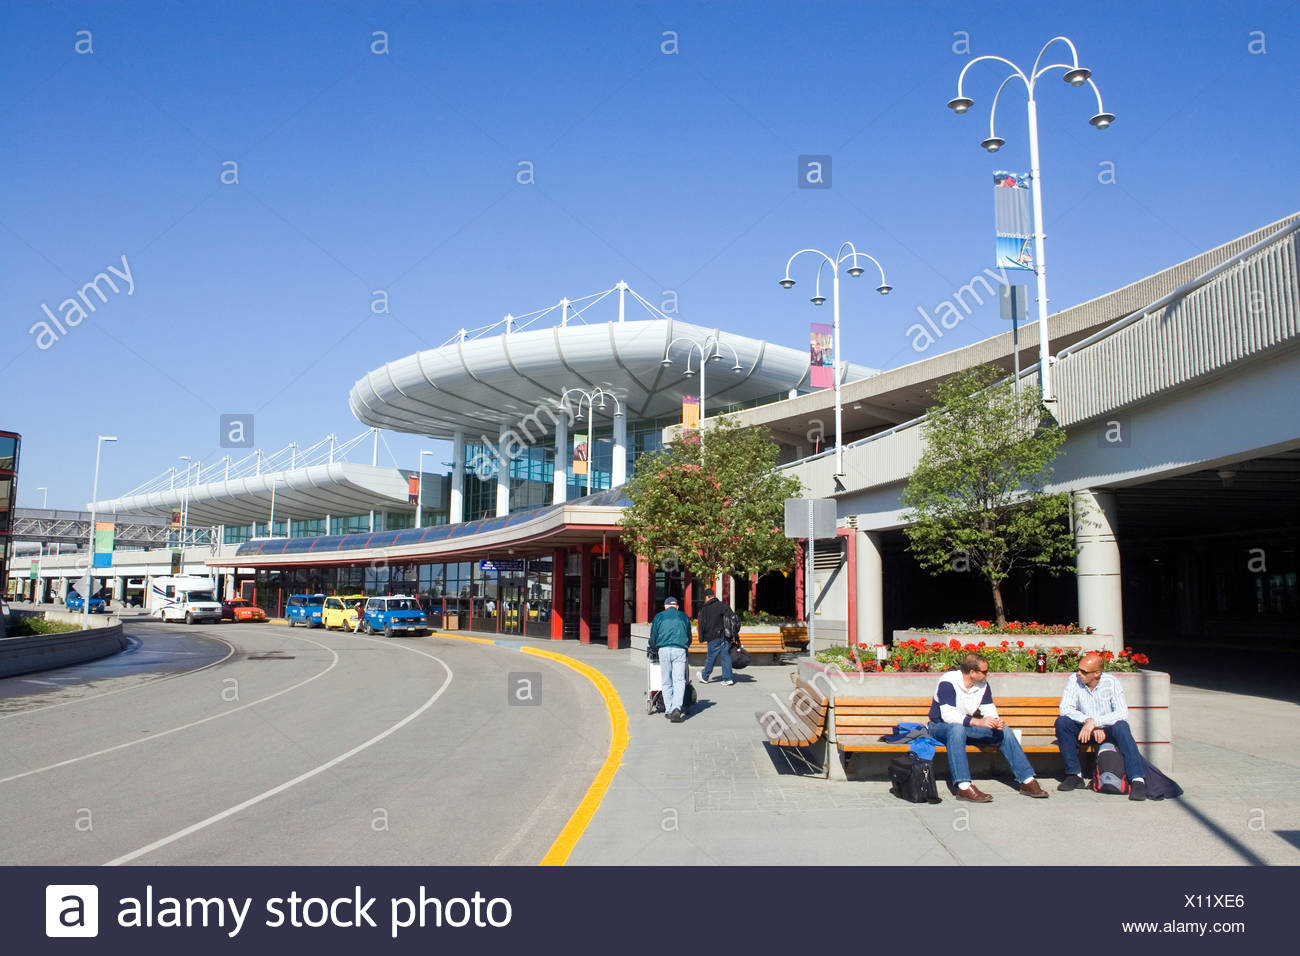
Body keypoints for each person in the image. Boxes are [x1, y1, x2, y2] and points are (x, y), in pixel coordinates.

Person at [927, 652, 1049, 802]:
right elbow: (948, 716)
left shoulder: (983, 684)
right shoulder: (948, 682)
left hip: (964, 728)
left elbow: (988, 708)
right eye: (984, 671)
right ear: (972, 673)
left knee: (1004, 730)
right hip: (940, 728)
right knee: (956, 729)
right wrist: (978, 722)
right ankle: (964, 787)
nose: (987, 674)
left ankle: (1027, 781)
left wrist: (995, 721)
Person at [1056, 651, 1148, 800]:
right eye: (1078, 669)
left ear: (1097, 673)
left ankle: (1137, 780)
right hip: (1084, 730)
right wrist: (1088, 721)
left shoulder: (1111, 682)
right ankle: (1074, 775)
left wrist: (1096, 723)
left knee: (1122, 726)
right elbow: (1065, 709)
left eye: (1084, 671)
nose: (1079, 674)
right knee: (1062, 722)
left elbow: (1121, 712)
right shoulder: (1073, 680)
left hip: (1107, 731)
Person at [650, 596, 692, 722]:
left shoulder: (659, 616)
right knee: (679, 680)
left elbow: (653, 636)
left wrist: (653, 647)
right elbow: (689, 637)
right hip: (679, 649)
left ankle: (668, 709)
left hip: (663, 650)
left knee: (666, 680)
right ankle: (677, 708)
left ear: (665, 606)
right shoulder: (684, 617)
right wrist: (686, 646)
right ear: (677, 606)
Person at [696, 587, 734, 686]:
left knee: (711, 657)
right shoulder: (722, 606)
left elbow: (702, 624)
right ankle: (728, 679)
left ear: (708, 597)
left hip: (712, 637)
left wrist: (701, 637)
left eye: (705, 597)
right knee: (726, 657)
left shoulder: (705, 609)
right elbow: (732, 618)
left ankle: (704, 676)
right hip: (725, 636)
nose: (705, 599)